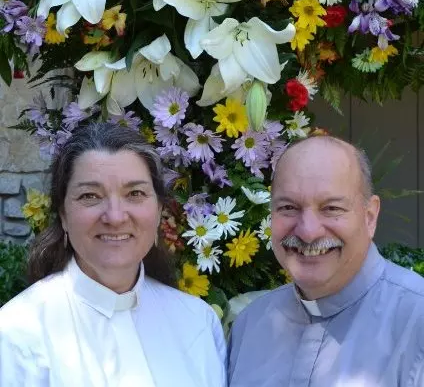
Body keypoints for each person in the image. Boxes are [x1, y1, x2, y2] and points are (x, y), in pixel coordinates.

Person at [0, 123, 226, 387]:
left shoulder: (197, 321)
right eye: (90, 196)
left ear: (159, 210)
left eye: (135, 193)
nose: (115, 217)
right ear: (63, 214)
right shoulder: (16, 333)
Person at [228, 135, 424, 386]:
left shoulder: (416, 322)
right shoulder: (250, 325)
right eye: (288, 207)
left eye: (331, 208)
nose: (308, 231)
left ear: (370, 217)